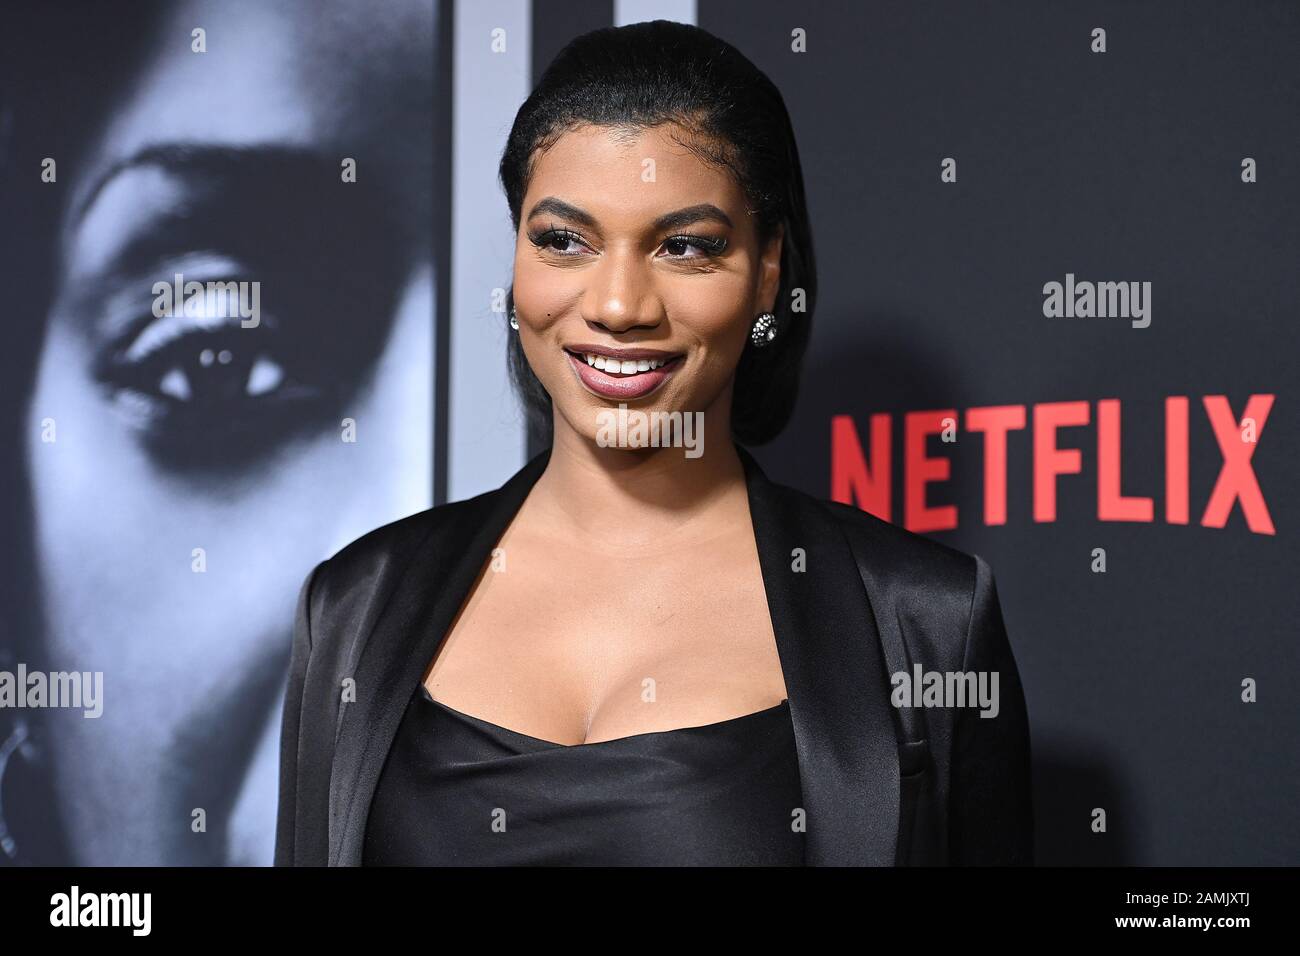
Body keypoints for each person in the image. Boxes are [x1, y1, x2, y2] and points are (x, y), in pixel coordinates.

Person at [277, 19, 1033, 867]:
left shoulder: (926, 620)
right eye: (564, 240)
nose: (619, 305)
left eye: (684, 246)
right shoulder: (354, 605)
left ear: (769, 268)